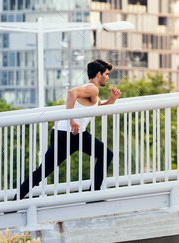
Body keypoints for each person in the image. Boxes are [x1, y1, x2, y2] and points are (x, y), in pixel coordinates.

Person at [15, 59, 120, 200]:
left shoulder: (92, 92)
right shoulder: (92, 89)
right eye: (106, 74)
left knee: (43, 171)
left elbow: (99, 110)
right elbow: (71, 93)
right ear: (99, 74)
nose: (107, 78)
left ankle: (14, 202)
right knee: (106, 154)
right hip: (74, 134)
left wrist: (113, 99)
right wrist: (71, 118)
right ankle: (94, 195)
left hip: (60, 133)